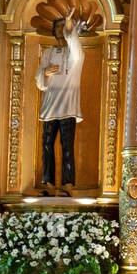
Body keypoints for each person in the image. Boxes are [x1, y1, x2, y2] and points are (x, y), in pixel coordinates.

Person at [35, 14, 85, 194]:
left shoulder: (73, 54)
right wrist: (45, 73)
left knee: (67, 145)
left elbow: (76, 51)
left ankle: (68, 184)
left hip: (68, 106)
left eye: (63, 27)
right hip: (50, 106)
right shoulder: (48, 53)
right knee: (47, 144)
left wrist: (70, 28)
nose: (60, 30)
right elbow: (40, 81)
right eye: (57, 27)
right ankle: (48, 183)